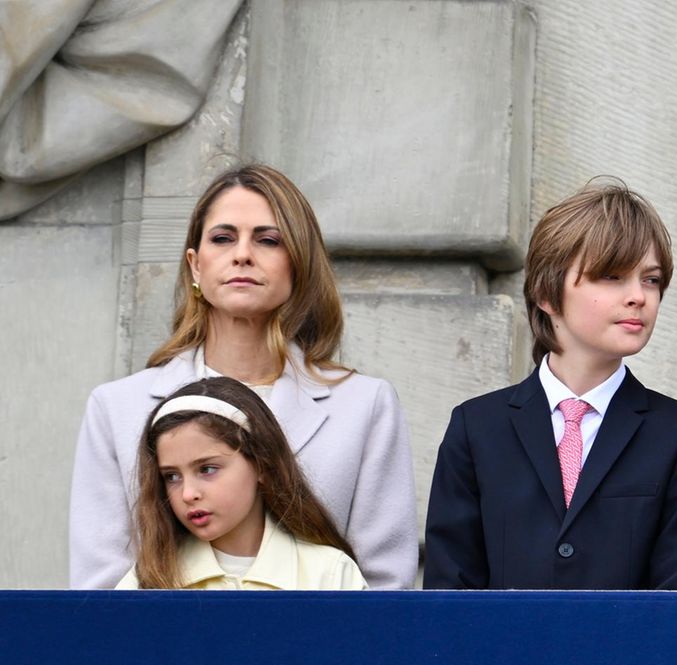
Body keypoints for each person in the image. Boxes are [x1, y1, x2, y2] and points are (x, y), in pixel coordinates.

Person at [70, 164, 417, 589]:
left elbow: (385, 587)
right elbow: (102, 589)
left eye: (268, 240)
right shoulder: (117, 407)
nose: (242, 254)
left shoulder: (364, 405)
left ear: (299, 264)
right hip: (167, 651)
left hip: (323, 650)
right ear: (195, 267)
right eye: (222, 238)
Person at [424, 181, 677, 589]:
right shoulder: (477, 427)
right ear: (547, 291)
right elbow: (450, 589)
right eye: (612, 276)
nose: (639, 296)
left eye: (650, 279)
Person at [117, 377, 365, 590]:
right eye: (172, 476)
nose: (188, 494)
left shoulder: (331, 574)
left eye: (207, 469)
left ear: (261, 464)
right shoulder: (148, 580)